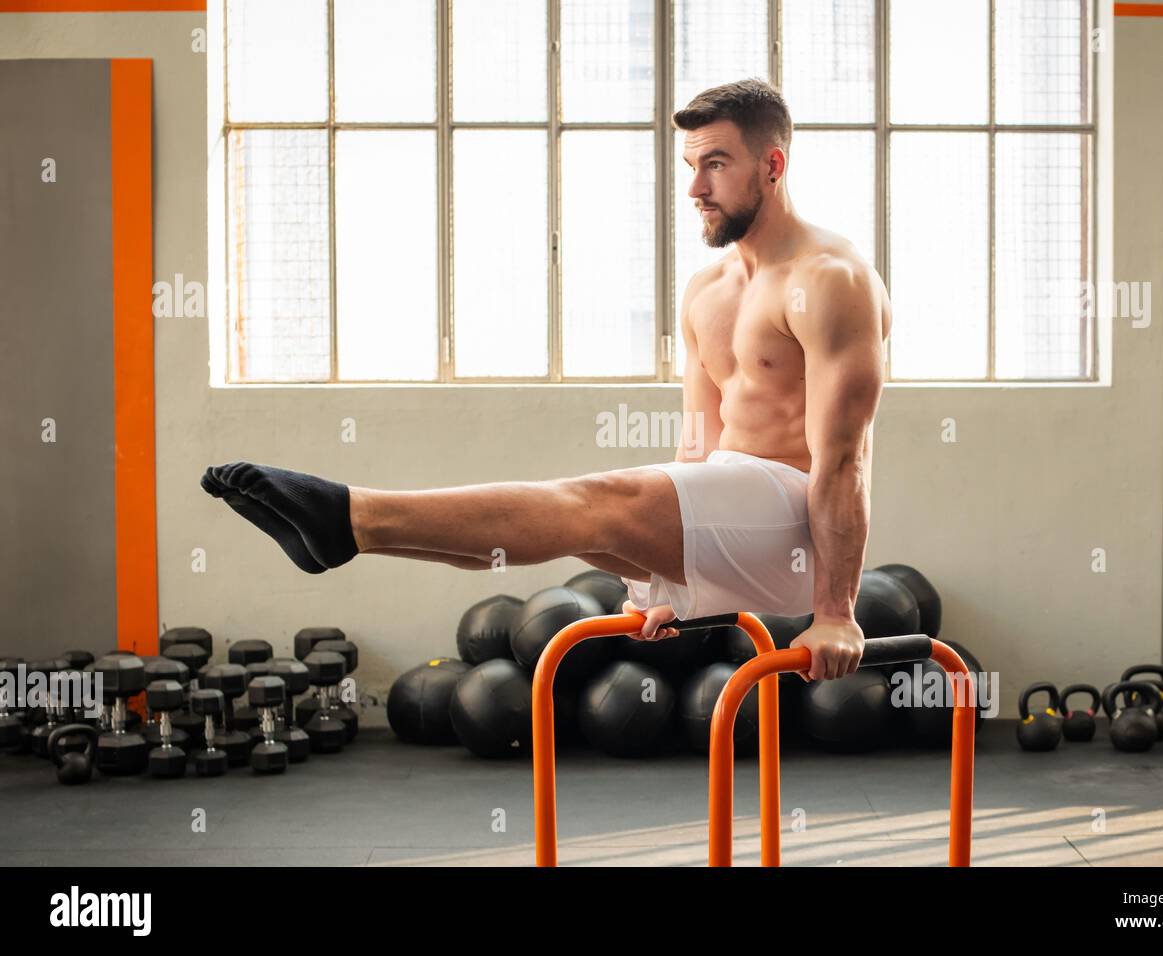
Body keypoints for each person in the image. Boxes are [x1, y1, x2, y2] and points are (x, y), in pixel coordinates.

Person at [202, 78, 890, 682]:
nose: (695, 188)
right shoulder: (707, 293)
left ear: (773, 165)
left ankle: (350, 512)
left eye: (716, 164)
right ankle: (357, 536)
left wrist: (835, 613)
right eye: (690, 166)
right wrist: (660, 584)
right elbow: (696, 446)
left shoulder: (832, 280)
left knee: (590, 500)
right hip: (727, 511)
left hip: (798, 526)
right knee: (574, 526)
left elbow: (844, 462)